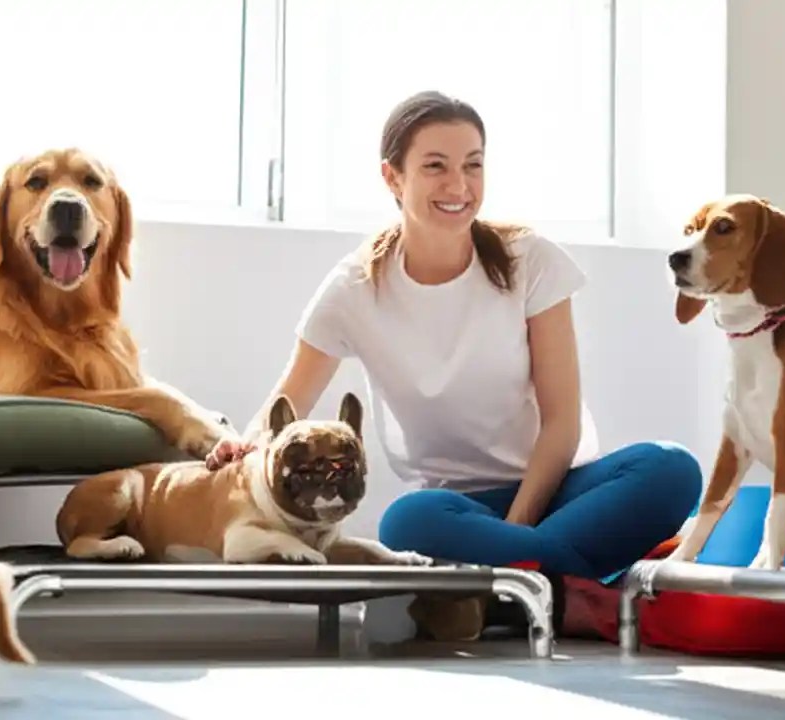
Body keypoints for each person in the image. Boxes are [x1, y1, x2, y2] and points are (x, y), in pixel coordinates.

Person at [206, 90, 703, 640]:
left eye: (473, 165)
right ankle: (565, 595)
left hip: (561, 486)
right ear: (393, 178)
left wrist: (517, 537)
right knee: (405, 522)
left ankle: (503, 594)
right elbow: (289, 401)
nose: (459, 186)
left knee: (671, 468)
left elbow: (561, 421)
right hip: (455, 508)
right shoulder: (354, 288)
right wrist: (242, 445)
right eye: (435, 167)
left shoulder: (529, 260)